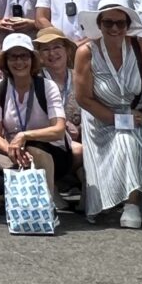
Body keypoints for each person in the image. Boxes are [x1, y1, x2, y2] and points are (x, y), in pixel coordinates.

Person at [74, 0, 142, 228]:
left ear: (128, 25)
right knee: (124, 137)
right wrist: (116, 119)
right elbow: (83, 98)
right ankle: (111, 201)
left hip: (134, 114)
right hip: (98, 117)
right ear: (99, 25)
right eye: (108, 23)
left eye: (121, 23)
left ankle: (132, 203)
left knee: (127, 140)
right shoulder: (86, 52)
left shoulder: (141, 46)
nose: (115, 28)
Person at [0, 33, 70, 209]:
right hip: (14, 152)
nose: (19, 62)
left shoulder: (47, 86)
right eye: (13, 57)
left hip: (52, 152)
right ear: (5, 61)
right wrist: (12, 149)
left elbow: (59, 129)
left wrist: (24, 136)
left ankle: (45, 205)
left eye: (24, 56)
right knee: (0, 186)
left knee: (34, 147)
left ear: (32, 59)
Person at [34, 26, 83, 189]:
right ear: (39, 55)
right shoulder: (35, 80)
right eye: (45, 49)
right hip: (48, 138)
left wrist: (81, 128)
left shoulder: (81, 77)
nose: (52, 53)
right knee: (78, 151)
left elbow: (91, 108)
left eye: (57, 47)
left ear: (67, 50)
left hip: (81, 134)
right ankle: (54, 186)